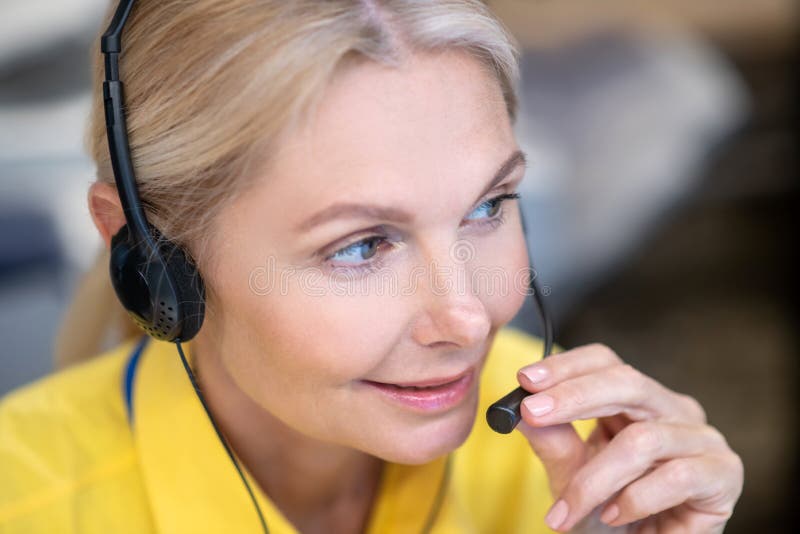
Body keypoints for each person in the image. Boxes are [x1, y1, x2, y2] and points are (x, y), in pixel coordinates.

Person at [0, 1, 743, 532]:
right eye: (361, 245)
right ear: (153, 257)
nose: (469, 316)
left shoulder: (576, 469)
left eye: (488, 207)